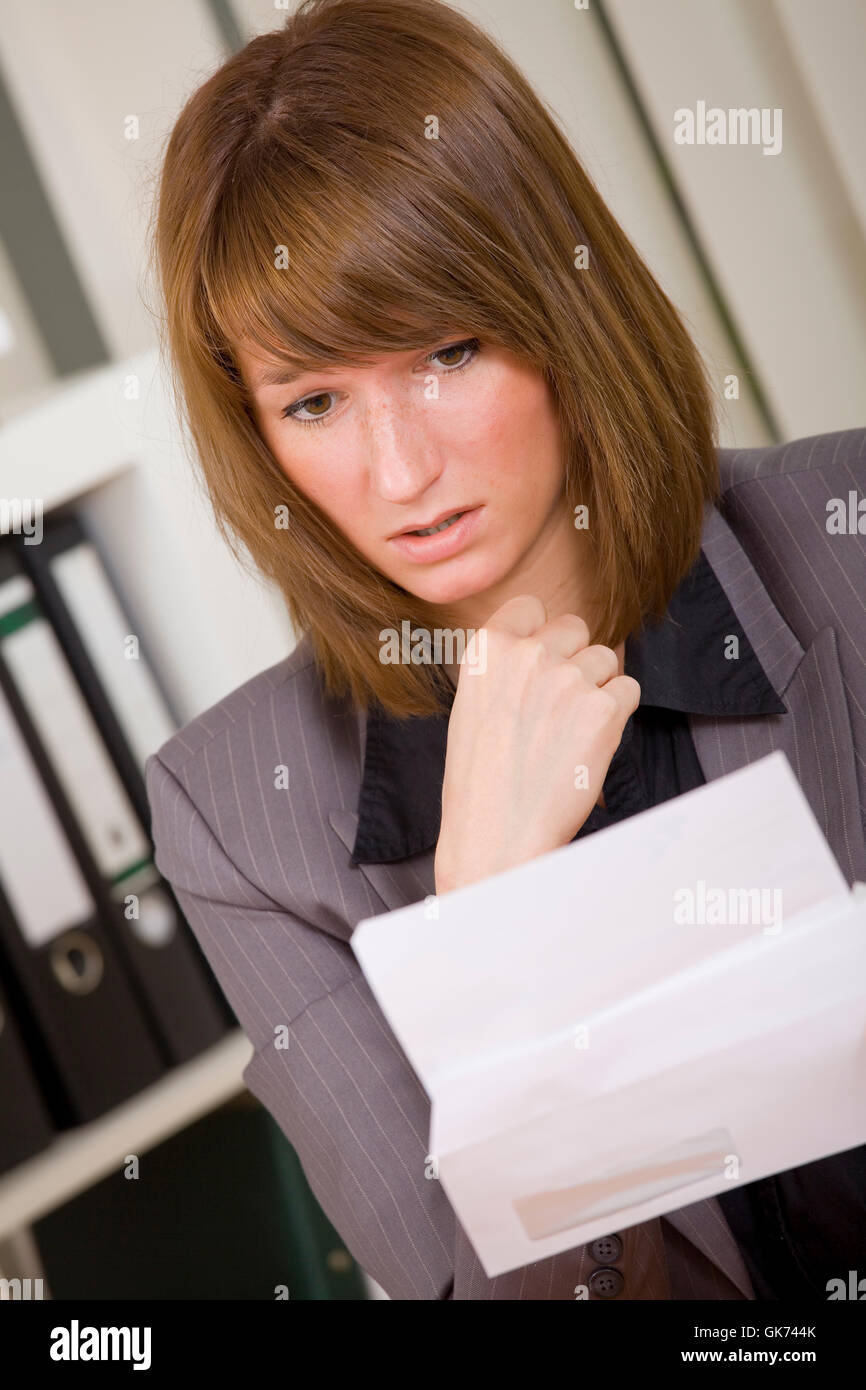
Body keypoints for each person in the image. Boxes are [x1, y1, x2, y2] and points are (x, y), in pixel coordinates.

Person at [145, 0, 866, 1299]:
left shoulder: (846, 540)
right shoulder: (244, 814)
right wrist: (486, 933)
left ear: (557, 305)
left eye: (447, 351)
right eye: (312, 401)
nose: (400, 470)